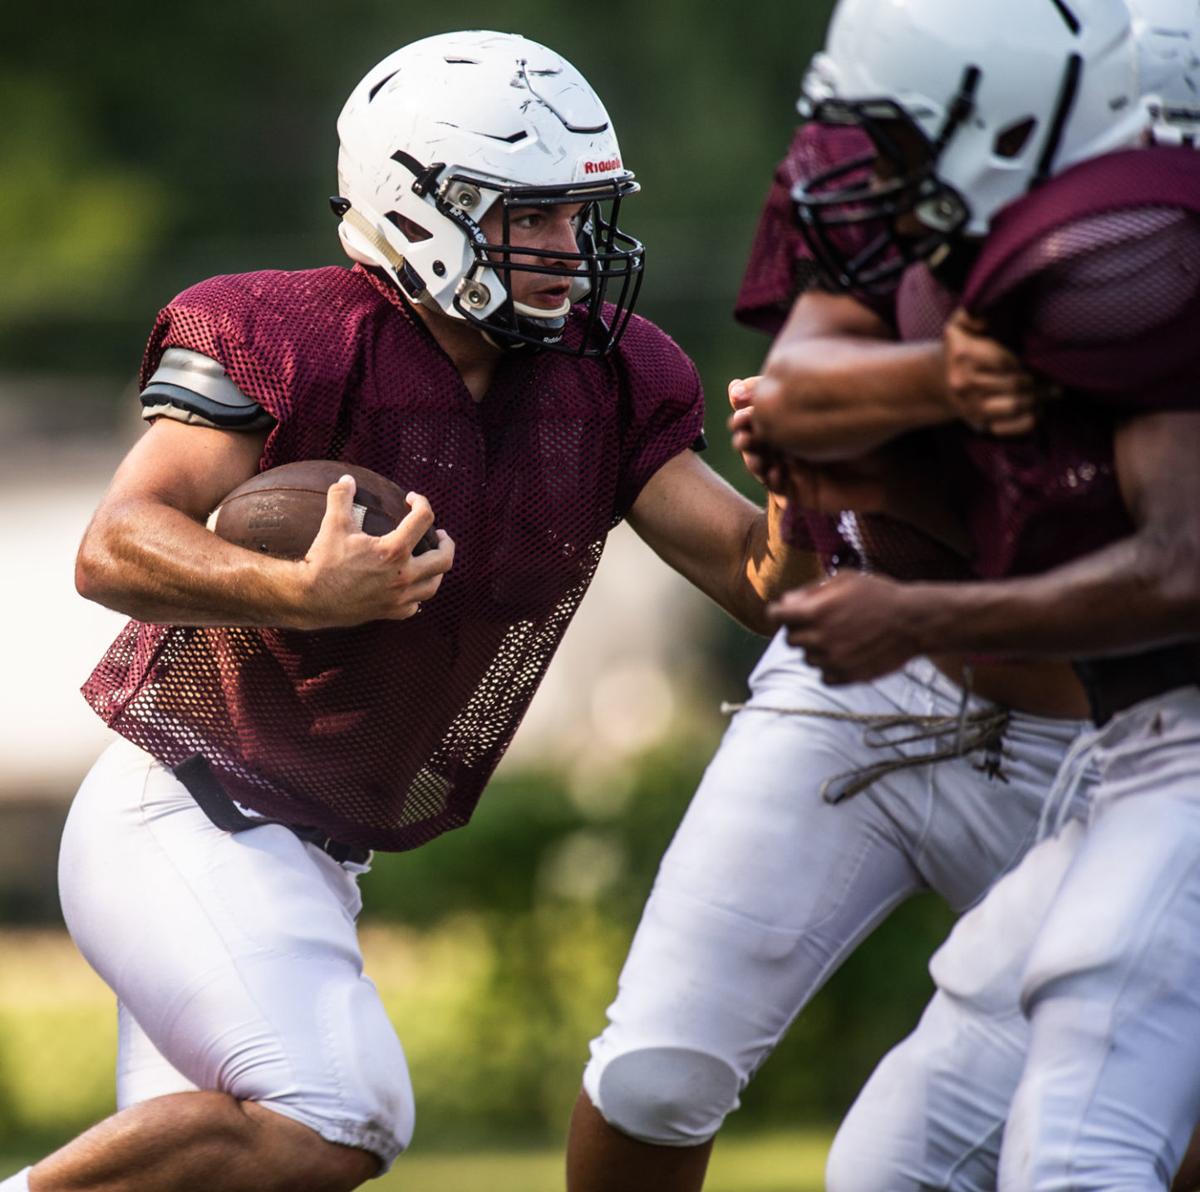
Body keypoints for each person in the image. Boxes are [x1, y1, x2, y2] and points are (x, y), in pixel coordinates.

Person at [1, 31, 811, 1192]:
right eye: (526, 216)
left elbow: (759, 577)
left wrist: (805, 481)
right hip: (185, 813)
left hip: (312, 852)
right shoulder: (296, 337)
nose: (565, 251)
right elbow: (113, 542)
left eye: (577, 218)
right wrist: (297, 589)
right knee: (345, 1107)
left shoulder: (607, 376)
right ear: (416, 205)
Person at [563, 7, 1143, 1188]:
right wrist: (945, 377)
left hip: (1111, 746)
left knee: (1124, 1112)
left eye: (909, 117)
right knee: (654, 1074)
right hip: (862, 686)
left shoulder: (1150, 257)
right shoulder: (886, 193)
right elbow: (792, 401)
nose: (861, 158)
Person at [753, 0, 1200, 1186]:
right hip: (1134, 743)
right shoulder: (1054, 257)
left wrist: (917, 617)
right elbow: (794, 392)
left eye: (898, 146)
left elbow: (1186, 565)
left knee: (1077, 1161)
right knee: (893, 1166)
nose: (875, 183)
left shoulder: (1147, 254)